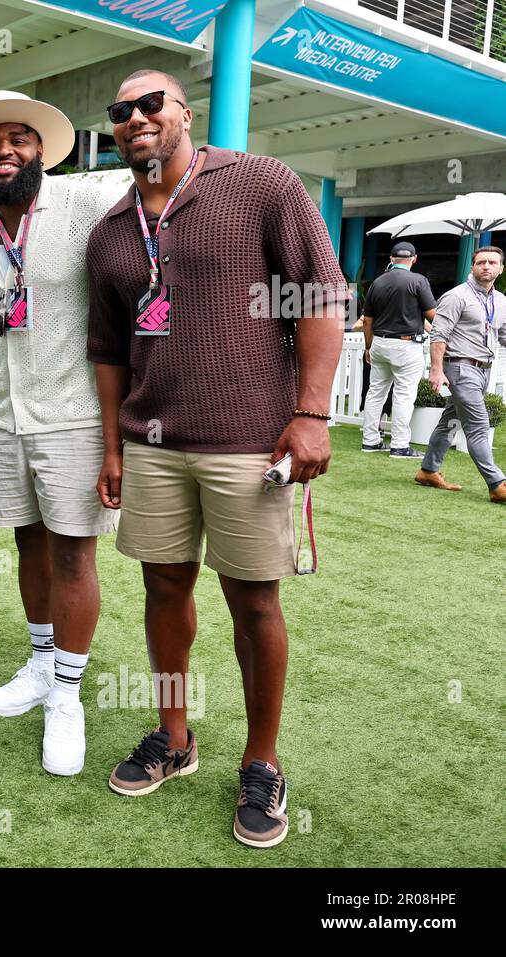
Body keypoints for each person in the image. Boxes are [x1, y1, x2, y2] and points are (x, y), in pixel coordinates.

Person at [87, 70, 347, 848]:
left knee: (254, 603)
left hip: (250, 441)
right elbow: (108, 350)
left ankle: (261, 761)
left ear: (183, 113)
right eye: (121, 111)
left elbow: (321, 294)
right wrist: (112, 447)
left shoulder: (260, 182)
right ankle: (174, 736)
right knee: (164, 590)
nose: (135, 118)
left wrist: (311, 412)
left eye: (150, 104)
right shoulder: (111, 229)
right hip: (152, 445)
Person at [0, 91, 120, 773]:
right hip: (5, 416)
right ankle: (43, 665)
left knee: (75, 556)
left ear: (40, 150)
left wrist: (119, 433)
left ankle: (67, 698)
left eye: (18, 139)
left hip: (76, 415)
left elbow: (131, 296)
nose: (5, 150)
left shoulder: (83, 209)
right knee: (29, 542)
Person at [415, 245, 506, 502]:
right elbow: (439, 333)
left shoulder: (501, 302)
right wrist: (436, 369)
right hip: (460, 367)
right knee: (478, 426)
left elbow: (503, 335)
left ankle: (428, 470)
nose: (486, 266)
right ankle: (497, 484)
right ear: (472, 267)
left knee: (450, 422)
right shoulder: (456, 296)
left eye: (491, 263)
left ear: (501, 269)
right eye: (481, 262)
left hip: (483, 370)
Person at [360, 241, 436, 457]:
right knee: (404, 395)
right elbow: (433, 316)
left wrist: (368, 346)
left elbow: (367, 321)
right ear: (414, 259)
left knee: (375, 393)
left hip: (380, 343)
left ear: (392, 259)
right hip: (406, 344)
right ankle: (400, 445)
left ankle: (370, 442)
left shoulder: (377, 282)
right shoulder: (418, 280)